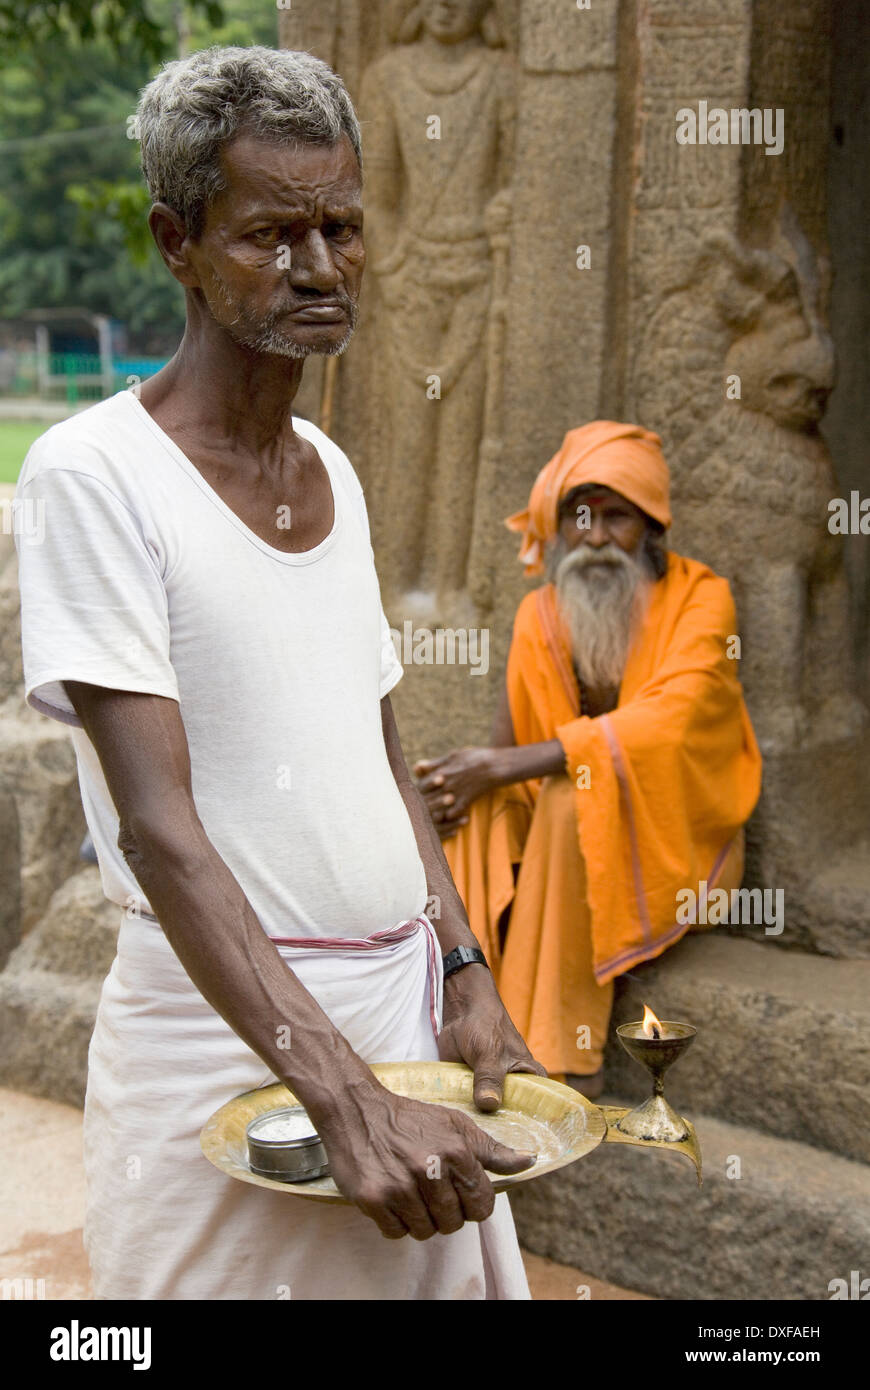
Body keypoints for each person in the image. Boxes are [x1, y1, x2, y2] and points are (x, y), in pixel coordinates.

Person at [13, 45, 545, 1301]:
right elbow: (160, 828)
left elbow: (375, 745)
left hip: (399, 1020)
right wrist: (346, 1098)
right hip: (225, 1044)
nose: (319, 267)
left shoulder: (332, 470)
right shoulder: (95, 477)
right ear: (174, 241)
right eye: (270, 235)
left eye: (341, 227)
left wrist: (462, 968)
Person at [415, 421, 762, 1097]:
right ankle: (455, 1025)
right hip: (557, 835)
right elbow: (505, 752)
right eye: (579, 518)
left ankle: (554, 1059)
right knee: (471, 808)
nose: (596, 537)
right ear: (557, 529)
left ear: (651, 529)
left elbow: (668, 726)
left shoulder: (703, 599)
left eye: (617, 519)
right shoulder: (538, 615)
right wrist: (454, 786)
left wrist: (502, 766)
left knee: (575, 793)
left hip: (679, 846)